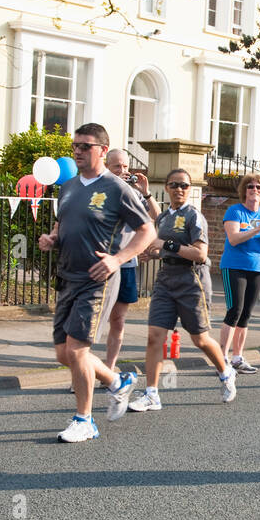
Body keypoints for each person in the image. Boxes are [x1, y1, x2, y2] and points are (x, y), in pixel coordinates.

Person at [38, 122, 155, 443]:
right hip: (67, 276)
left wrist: (117, 259)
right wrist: (52, 237)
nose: (77, 150)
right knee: (63, 354)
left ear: (102, 150)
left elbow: (148, 231)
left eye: (85, 146)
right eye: (75, 145)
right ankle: (117, 382)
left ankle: (84, 419)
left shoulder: (117, 189)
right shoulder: (69, 186)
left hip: (98, 278)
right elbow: (64, 222)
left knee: (77, 350)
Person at [127, 169, 237, 412]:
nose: (179, 189)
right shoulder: (165, 217)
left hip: (191, 279)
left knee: (199, 339)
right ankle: (152, 393)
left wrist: (166, 244)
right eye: (174, 185)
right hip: (166, 278)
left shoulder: (194, 216)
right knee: (155, 335)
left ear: (190, 189)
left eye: (184, 185)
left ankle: (225, 372)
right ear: (166, 187)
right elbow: (159, 245)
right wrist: (152, 253)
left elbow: (200, 254)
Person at [102, 149, 160, 374]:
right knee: (93, 321)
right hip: (102, 262)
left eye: (125, 166)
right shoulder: (102, 189)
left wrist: (145, 193)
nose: (123, 171)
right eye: (117, 166)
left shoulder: (135, 194)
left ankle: (109, 367)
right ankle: (81, 372)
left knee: (118, 320)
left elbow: (158, 217)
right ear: (107, 166)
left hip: (126, 264)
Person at [219, 174, 260, 374]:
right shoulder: (234, 211)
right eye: (251, 186)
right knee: (234, 310)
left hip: (257, 267)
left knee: (246, 315)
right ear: (244, 190)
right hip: (234, 265)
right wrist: (257, 228)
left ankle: (238, 357)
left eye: (259, 187)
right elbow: (234, 239)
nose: (255, 190)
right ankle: (222, 358)